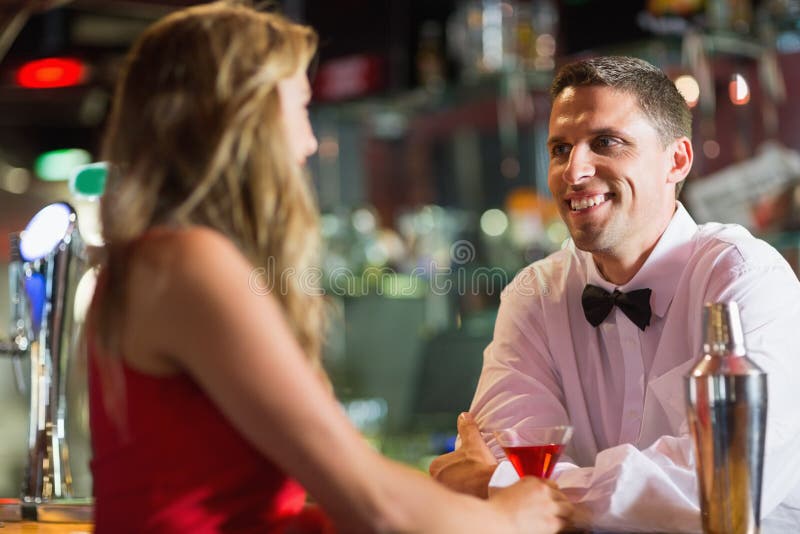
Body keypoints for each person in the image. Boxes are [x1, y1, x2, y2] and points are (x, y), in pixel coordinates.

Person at [85, 2, 575, 533]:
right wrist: (506, 517)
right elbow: (370, 501)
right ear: (248, 119)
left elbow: (242, 498)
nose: (310, 142)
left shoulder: (156, 262)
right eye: (299, 107)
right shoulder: (186, 264)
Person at [430, 56, 800, 532]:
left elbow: (723, 482)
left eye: (606, 143)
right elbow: (503, 452)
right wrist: (507, 481)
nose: (573, 170)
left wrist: (496, 486)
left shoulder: (744, 277)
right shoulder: (536, 293)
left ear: (677, 161)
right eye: (560, 149)